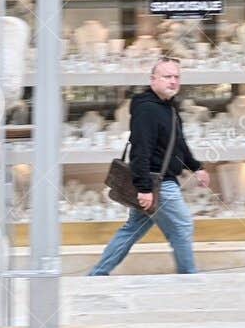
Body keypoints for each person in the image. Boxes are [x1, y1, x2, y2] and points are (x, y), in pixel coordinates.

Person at [88, 58, 210, 276]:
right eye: (167, 77)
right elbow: (140, 151)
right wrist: (144, 188)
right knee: (182, 226)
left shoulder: (168, 108)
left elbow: (178, 143)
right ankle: (189, 277)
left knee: (131, 230)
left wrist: (196, 167)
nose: (173, 81)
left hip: (156, 181)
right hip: (157, 183)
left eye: (176, 77)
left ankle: (97, 275)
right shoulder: (147, 109)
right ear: (153, 80)